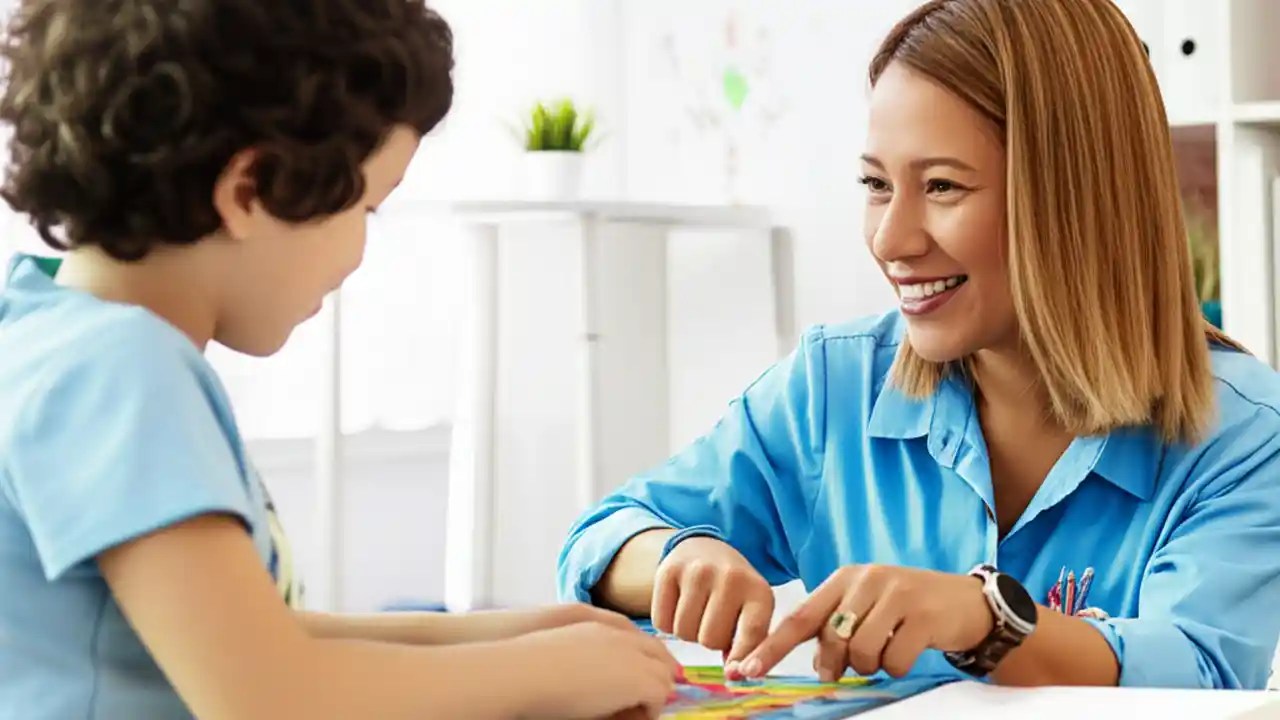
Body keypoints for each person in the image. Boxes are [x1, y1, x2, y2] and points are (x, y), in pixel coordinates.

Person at [558, 0, 1280, 691]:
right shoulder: (833, 387)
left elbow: (1201, 669)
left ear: (1073, 201)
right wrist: (680, 557)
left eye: (941, 186)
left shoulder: (1246, 432)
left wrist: (984, 618)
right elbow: (602, 539)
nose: (889, 240)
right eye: (876, 184)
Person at [0, 1, 677, 718]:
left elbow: (249, 635)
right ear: (251, 192)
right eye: (368, 209)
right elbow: (270, 693)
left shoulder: (46, 333)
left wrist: (506, 638)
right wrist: (543, 675)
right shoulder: (122, 373)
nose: (359, 254)